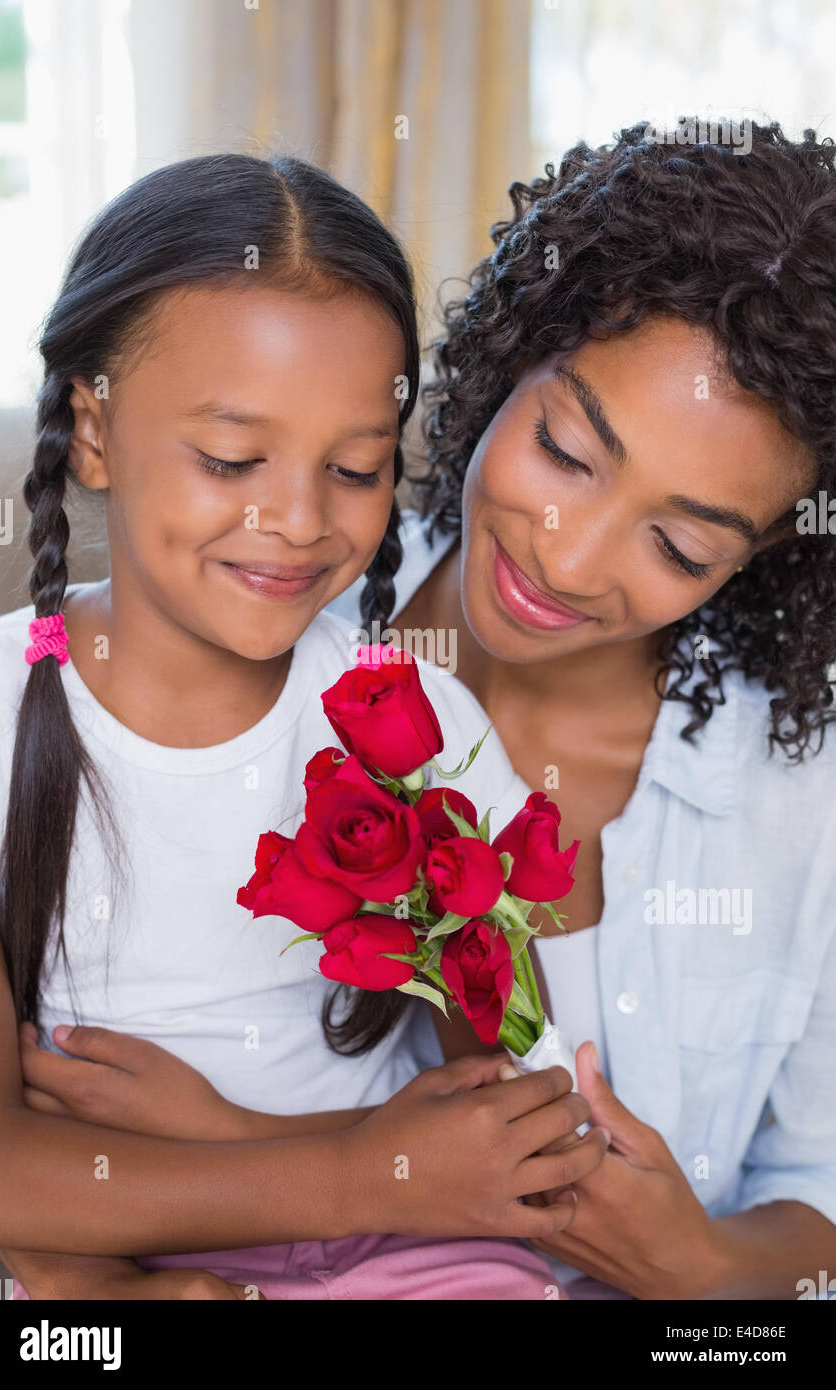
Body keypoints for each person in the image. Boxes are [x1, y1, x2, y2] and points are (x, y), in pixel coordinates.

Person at [0, 152, 606, 1301]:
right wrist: (355, 1173)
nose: (297, 521)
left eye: (356, 468)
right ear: (94, 428)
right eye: (230, 459)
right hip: (121, 1247)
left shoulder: (413, 724)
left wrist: (238, 1136)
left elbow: (513, 1108)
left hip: (415, 1256)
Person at [326, 119, 836, 1299]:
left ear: (762, 553)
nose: (566, 559)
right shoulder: (270, 633)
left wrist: (699, 1265)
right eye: (564, 450)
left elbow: (817, 1187)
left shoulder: (800, 790)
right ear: (514, 354)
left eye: (677, 541)